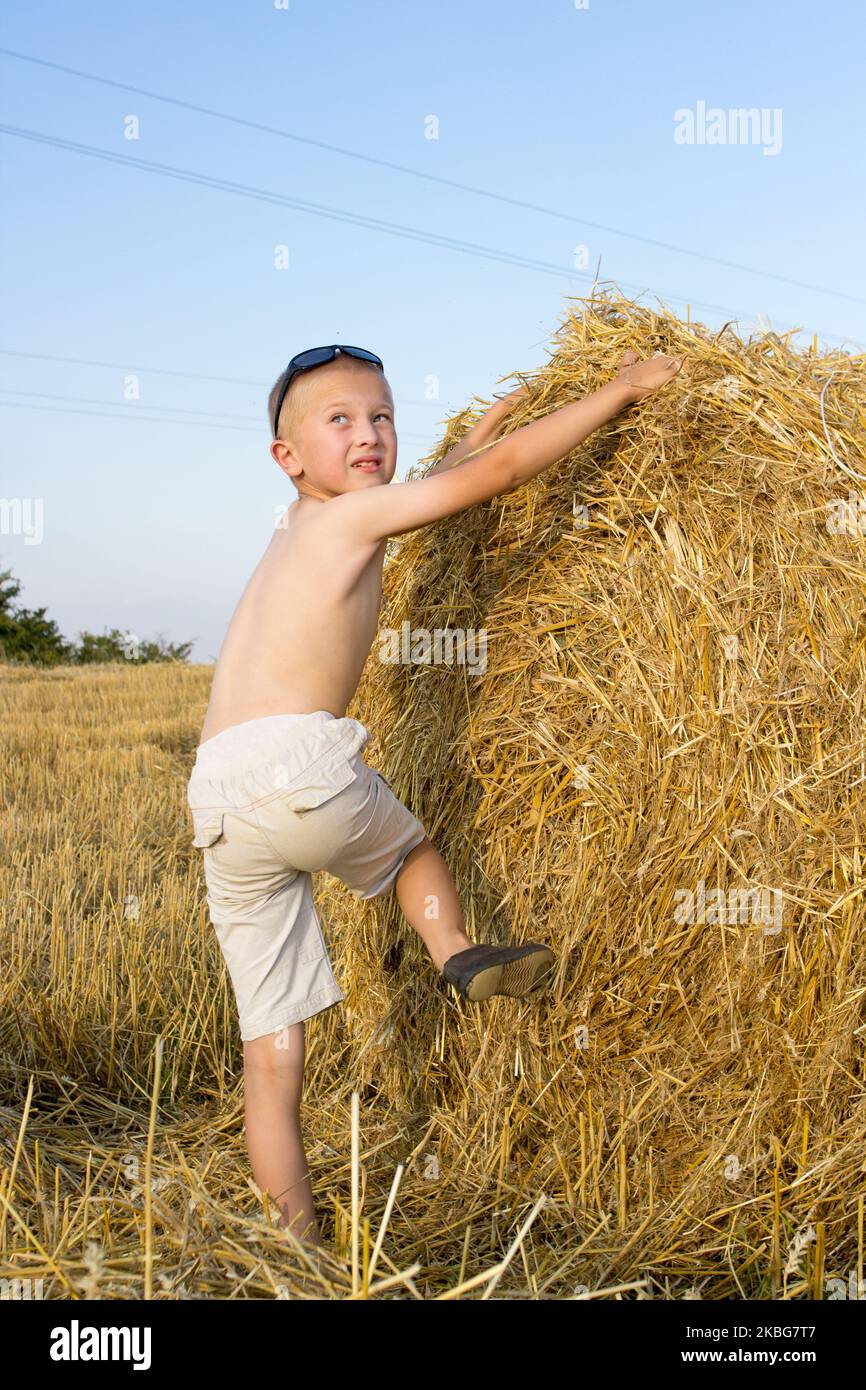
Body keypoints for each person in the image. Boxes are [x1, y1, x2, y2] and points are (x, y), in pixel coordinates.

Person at [186, 342, 682, 1247]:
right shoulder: (351, 523)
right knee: (413, 850)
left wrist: (471, 436)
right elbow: (491, 480)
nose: (370, 434)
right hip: (302, 769)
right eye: (341, 420)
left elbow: (437, 484)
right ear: (287, 456)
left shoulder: (300, 528)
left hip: (218, 799)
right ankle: (455, 950)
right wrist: (617, 391)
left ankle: (291, 1242)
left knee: (271, 1050)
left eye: (382, 417)